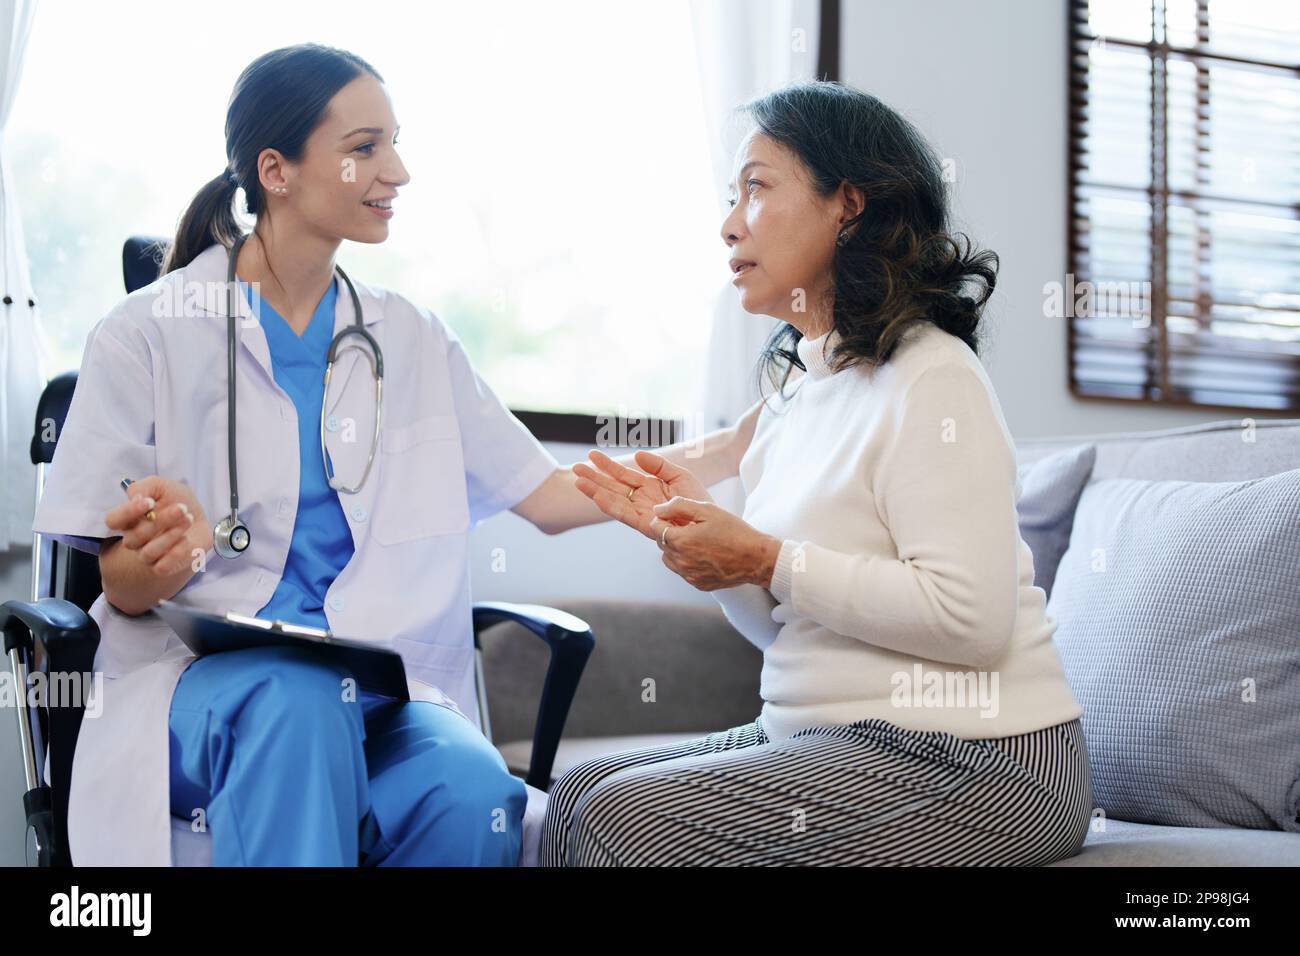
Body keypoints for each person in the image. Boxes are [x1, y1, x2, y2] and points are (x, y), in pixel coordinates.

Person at [32, 43, 759, 866]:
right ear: (276, 169)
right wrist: (164, 556)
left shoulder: (409, 337)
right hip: (195, 690)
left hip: (382, 693)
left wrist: (735, 444)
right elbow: (122, 586)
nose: (399, 170)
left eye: (395, 142)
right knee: (297, 704)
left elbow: (551, 497)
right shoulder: (145, 334)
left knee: (475, 794)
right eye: (365, 148)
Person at [539, 80, 1094, 866]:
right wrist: (713, 553)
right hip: (827, 736)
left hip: (981, 760)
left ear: (849, 205)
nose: (730, 224)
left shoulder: (933, 377)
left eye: (756, 189)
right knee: (579, 795)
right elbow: (788, 627)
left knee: (617, 818)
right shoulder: (798, 395)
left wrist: (766, 557)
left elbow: (971, 623)